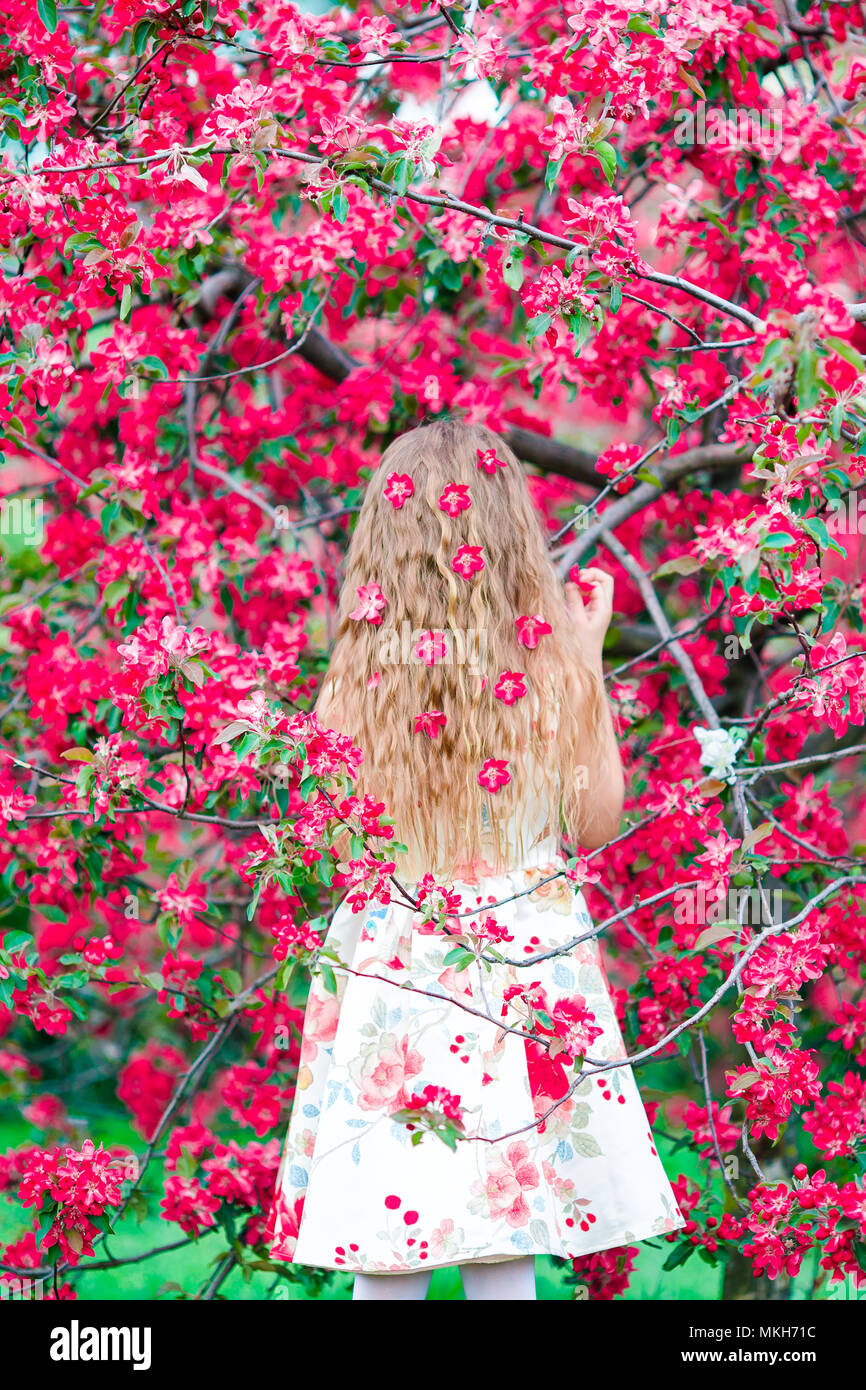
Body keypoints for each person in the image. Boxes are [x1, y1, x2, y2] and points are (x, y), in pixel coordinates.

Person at [269, 418, 684, 1300]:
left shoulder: (356, 678)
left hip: (399, 963)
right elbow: (597, 819)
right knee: (507, 1232)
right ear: (508, 531)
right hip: (524, 957)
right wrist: (585, 652)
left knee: (394, 1240)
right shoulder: (549, 670)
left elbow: (343, 832)